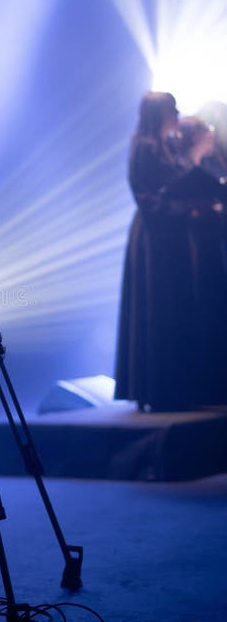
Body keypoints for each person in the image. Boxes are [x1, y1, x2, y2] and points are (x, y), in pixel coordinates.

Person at [114, 93, 227, 411]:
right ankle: (160, 391)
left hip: (172, 241)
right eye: (171, 110)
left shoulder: (166, 146)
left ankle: (180, 388)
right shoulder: (144, 147)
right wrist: (188, 208)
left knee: (176, 312)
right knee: (158, 312)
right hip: (153, 243)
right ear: (158, 113)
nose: (177, 114)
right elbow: (149, 199)